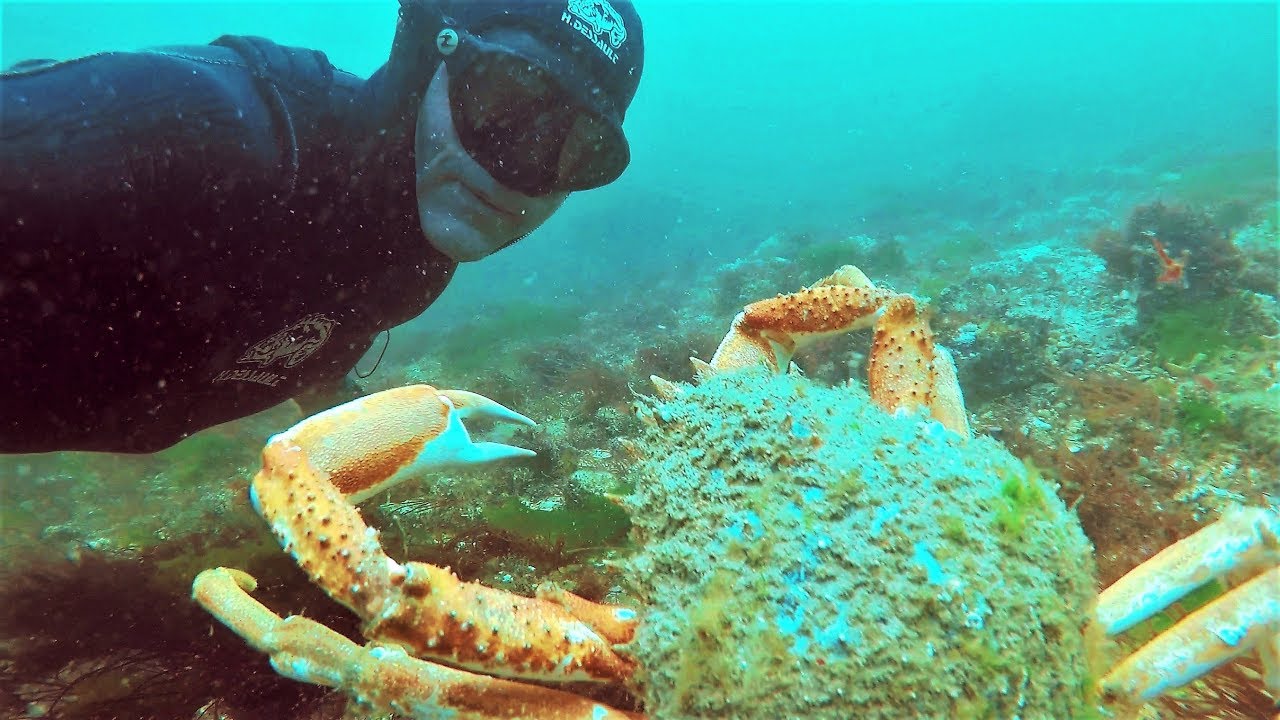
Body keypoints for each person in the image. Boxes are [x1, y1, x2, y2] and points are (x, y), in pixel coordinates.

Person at [0, 0, 644, 453]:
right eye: (503, 101)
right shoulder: (198, 128)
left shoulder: (420, 252)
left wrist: (364, 436)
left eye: (577, 149)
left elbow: (310, 337)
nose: (519, 176)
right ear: (426, 52)